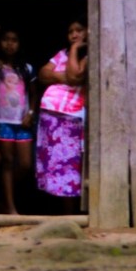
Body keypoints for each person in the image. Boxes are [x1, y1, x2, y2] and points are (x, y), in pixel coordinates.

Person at [35, 18, 88, 214]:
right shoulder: (61, 54)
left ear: (88, 31)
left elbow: (74, 77)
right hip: (50, 117)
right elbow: (42, 74)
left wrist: (74, 49)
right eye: (70, 32)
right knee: (52, 167)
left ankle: (70, 215)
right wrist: (61, 76)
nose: (74, 35)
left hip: (70, 119)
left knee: (67, 167)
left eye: (78, 30)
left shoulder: (88, 55)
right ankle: (58, 213)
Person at [0, 27, 36, 214]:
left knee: (25, 164)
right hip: (1, 120)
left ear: (20, 44)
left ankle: (2, 194)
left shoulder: (27, 68)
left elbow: (33, 93)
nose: (9, 44)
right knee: (7, 162)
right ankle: (10, 207)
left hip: (22, 121)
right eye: (5, 40)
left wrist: (31, 112)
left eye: (14, 40)